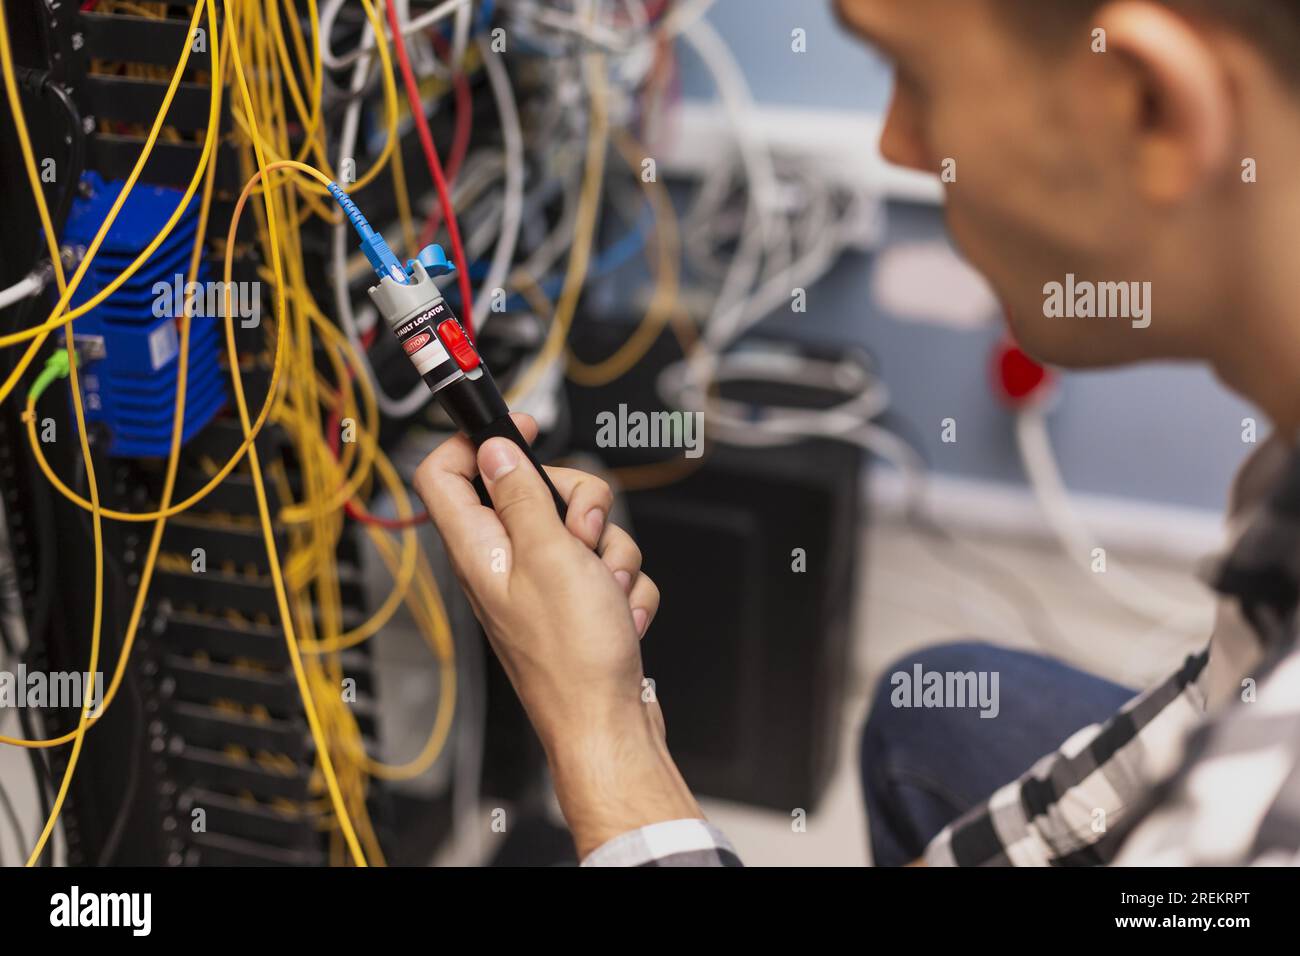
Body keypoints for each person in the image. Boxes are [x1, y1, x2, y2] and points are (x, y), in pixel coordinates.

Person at [413, 0, 1300, 866]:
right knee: (933, 719)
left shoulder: (1266, 811)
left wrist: (600, 744)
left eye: (911, 77)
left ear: (1152, 108)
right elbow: (1197, 717)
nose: (894, 146)